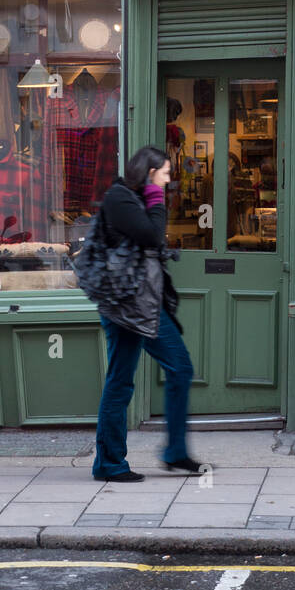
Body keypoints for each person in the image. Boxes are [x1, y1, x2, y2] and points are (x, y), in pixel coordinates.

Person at [92, 146, 199, 482]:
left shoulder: (131, 199)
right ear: (150, 172)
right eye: (165, 173)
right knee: (124, 381)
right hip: (126, 306)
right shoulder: (119, 198)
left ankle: (173, 452)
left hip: (143, 303)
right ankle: (110, 463)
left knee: (173, 369)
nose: (168, 180)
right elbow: (152, 236)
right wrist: (156, 196)